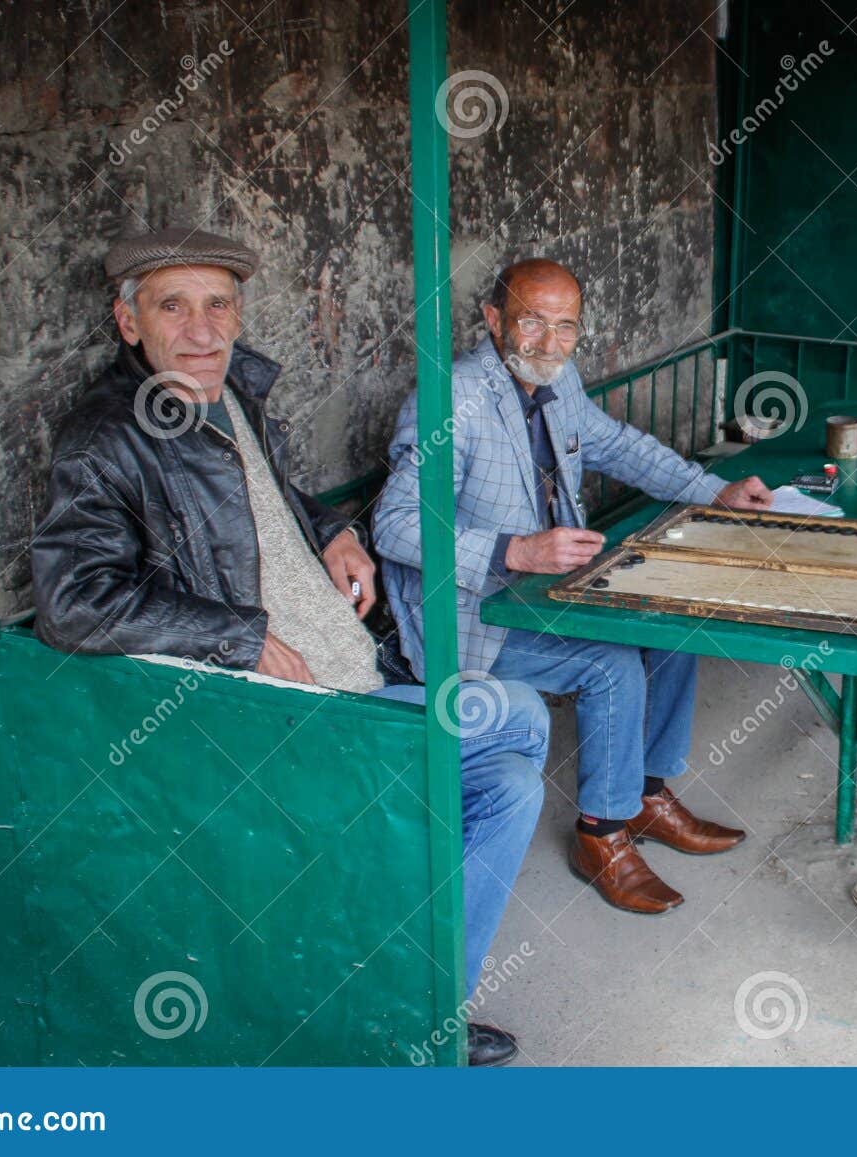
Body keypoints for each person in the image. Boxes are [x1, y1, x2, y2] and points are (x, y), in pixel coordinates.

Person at [31, 225, 545, 1065]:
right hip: (268, 716)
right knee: (517, 715)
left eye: (219, 305)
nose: (203, 330)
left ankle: (419, 1006)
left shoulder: (229, 389)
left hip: (345, 668)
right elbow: (72, 601)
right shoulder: (108, 437)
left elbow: (265, 501)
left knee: (514, 784)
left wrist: (334, 527)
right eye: (174, 307)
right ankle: (399, 995)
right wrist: (238, 637)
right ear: (129, 323)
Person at [375, 258, 774, 914]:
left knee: (673, 624)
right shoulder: (452, 398)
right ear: (495, 320)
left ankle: (644, 793)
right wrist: (516, 548)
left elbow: (621, 446)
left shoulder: (558, 381)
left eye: (566, 327)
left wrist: (715, 491)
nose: (549, 342)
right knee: (611, 662)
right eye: (532, 321)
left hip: (549, 590)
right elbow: (394, 525)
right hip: (471, 614)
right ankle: (602, 834)